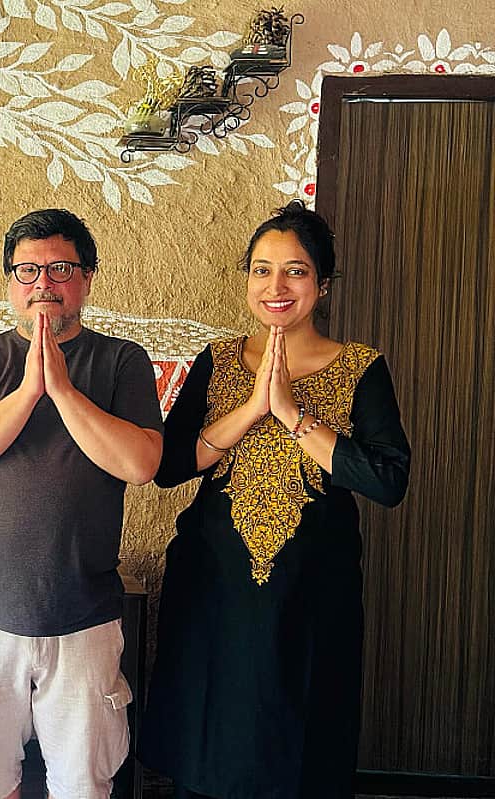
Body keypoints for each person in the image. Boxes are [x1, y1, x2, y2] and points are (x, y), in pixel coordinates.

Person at [138, 200, 411, 799]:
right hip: (214, 589)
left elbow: (388, 480)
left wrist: (292, 414)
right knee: (208, 748)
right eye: (261, 270)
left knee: (302, 755)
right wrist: (252, 409)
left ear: (323, 283)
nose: (276, 286)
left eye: (295, 271)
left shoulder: (360, 368)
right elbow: (168, 467)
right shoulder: (218, 360)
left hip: (311, 597)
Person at [0, 209, 164, 799]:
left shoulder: (121, 361)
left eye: (60, 268)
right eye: (27, 270)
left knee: (83, 784)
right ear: (10, 280)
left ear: (87, 277)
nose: (43, 284)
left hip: (85, 614)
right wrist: (29, 389)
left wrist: (61, 389)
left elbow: (140, 464)